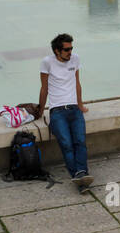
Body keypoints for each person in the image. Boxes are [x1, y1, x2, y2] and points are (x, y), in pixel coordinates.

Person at [32, 34, 92, 191]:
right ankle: (79, 175)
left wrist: (80, 104)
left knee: (80, 142)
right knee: (66, 144)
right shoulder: (47, 62)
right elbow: (44, 88)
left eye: (71, 48)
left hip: (74, 108)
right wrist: (40, 109)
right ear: (56, 51)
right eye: (66, 49)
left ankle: (81, 175)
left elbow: (77, 83)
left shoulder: (75, 59)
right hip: (57, 111)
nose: (70, 52)